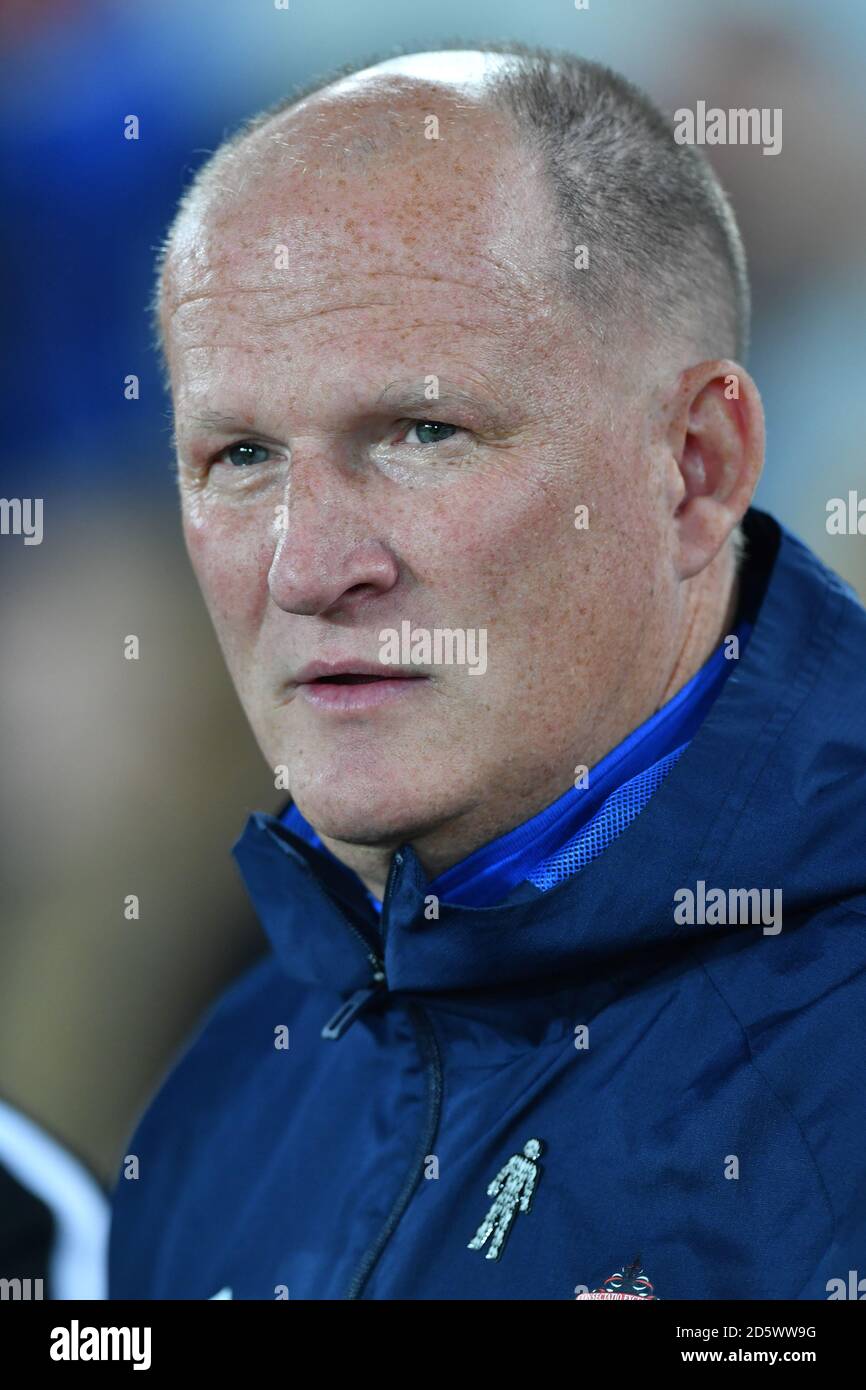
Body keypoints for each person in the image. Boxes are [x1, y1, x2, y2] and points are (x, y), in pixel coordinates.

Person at [109, 45, 866, 1300]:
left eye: (420, 432)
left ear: (695, 467)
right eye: (239, 455)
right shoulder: (228, 1090)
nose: (306, 569)